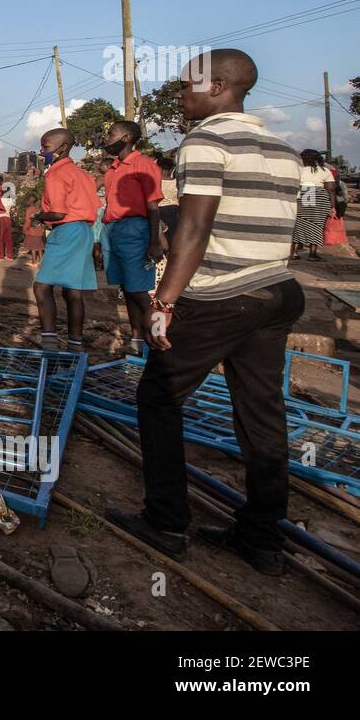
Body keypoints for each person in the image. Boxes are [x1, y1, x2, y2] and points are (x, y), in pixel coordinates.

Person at [107, 48, 303, 577]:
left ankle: (166, 521)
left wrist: (163, 303)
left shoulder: (206, 141)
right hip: (277, 292)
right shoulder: (283, 149)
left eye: (186, 85)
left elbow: (194, 230)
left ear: (218, 86)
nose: (179, 94)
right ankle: (261, 538)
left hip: (222, 295)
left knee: (158, 396)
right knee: (261, 413)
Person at [30, 128, 99, 351]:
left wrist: (39, 216)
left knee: (41, 287)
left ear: (62, 148)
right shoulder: (83, 175)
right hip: (83, 231)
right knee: (73, 291)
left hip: (67, 230)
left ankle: (49, 340)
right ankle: (75, 343)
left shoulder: (56, 174)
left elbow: (58, 213)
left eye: (46, 147)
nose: (42, 151)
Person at [101, 121, 164, 355]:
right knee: (126, 288)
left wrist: (154, 240)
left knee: (139, 290)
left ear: (127, 138)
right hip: (113, 229)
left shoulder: (143, 165)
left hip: (134, 229)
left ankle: (160, 337)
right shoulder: (113, 167)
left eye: (111, 134)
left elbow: (153, 205)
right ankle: (137, 341)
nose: (107, 138)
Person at [293, 149, 335, 260]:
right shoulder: (324, 170)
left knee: (297, 224)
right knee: (317, 225)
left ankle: (293, 253)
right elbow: (331, 189)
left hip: (302, 193)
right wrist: (333, 207)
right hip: (318, 196)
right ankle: (312, 254)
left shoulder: (298, 169)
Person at [324, 161, 348, 247]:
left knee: (329, 219)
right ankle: (338, 236)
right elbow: (345, 195)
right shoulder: (341, 183)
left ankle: (328, 236)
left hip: (330, 202)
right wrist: (346, 201)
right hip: (341, 202)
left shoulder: (326, 183)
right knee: (339, 219)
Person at [0, 172, 16, 260]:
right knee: (8, 238)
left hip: (1, 218)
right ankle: (10, 256)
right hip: (8, 218)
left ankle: (0, 256)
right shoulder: (10, 199)